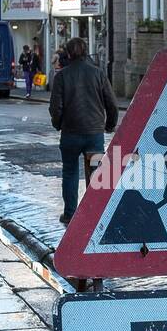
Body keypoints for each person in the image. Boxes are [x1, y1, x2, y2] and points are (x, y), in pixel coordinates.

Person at [49, 36, 118, 225]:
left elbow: (55, 107)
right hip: (94, 133)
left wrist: (58, 124)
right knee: (95, 174)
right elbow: (111, 104)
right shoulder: (98, 74)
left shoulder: (62, 76)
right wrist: (110, 125)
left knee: (70, 172)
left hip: (70, 132)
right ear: (86, 52)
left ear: (69, 54)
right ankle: (94, 213)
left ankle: (70, 214)